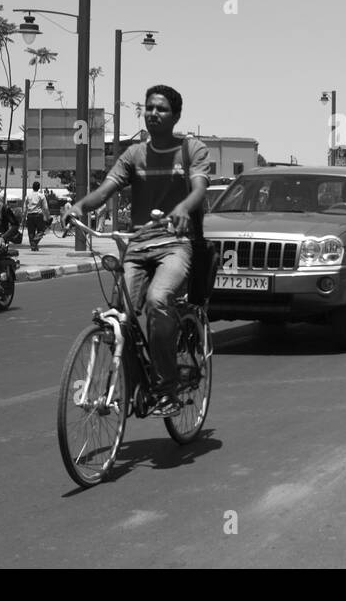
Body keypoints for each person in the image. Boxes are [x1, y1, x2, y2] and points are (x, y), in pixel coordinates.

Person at [63, 85, 210, 415]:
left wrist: (183, 209)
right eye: (149, 108)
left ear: (175, 116)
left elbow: (199, 188)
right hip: (138, 244)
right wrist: (79, 207)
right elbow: (105, 191)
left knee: (159, 300)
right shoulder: (133, 155)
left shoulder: (191, 149)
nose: (153, 113)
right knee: (120, 314)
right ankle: (133, 384)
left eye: (161, 109)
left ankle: (168, 389)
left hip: (175, 244)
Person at [23, 181, 50, 252]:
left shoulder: (28, 196)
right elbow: (46, 208)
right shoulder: (41, 196)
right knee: (41, 230)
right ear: (39, 187)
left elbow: (24, 207)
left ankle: (33, 245)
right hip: (38, 215)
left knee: (31, 232)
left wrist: (24, 216)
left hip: (30, 215)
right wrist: (48, 217)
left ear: (32, 187)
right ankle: (34, 243)